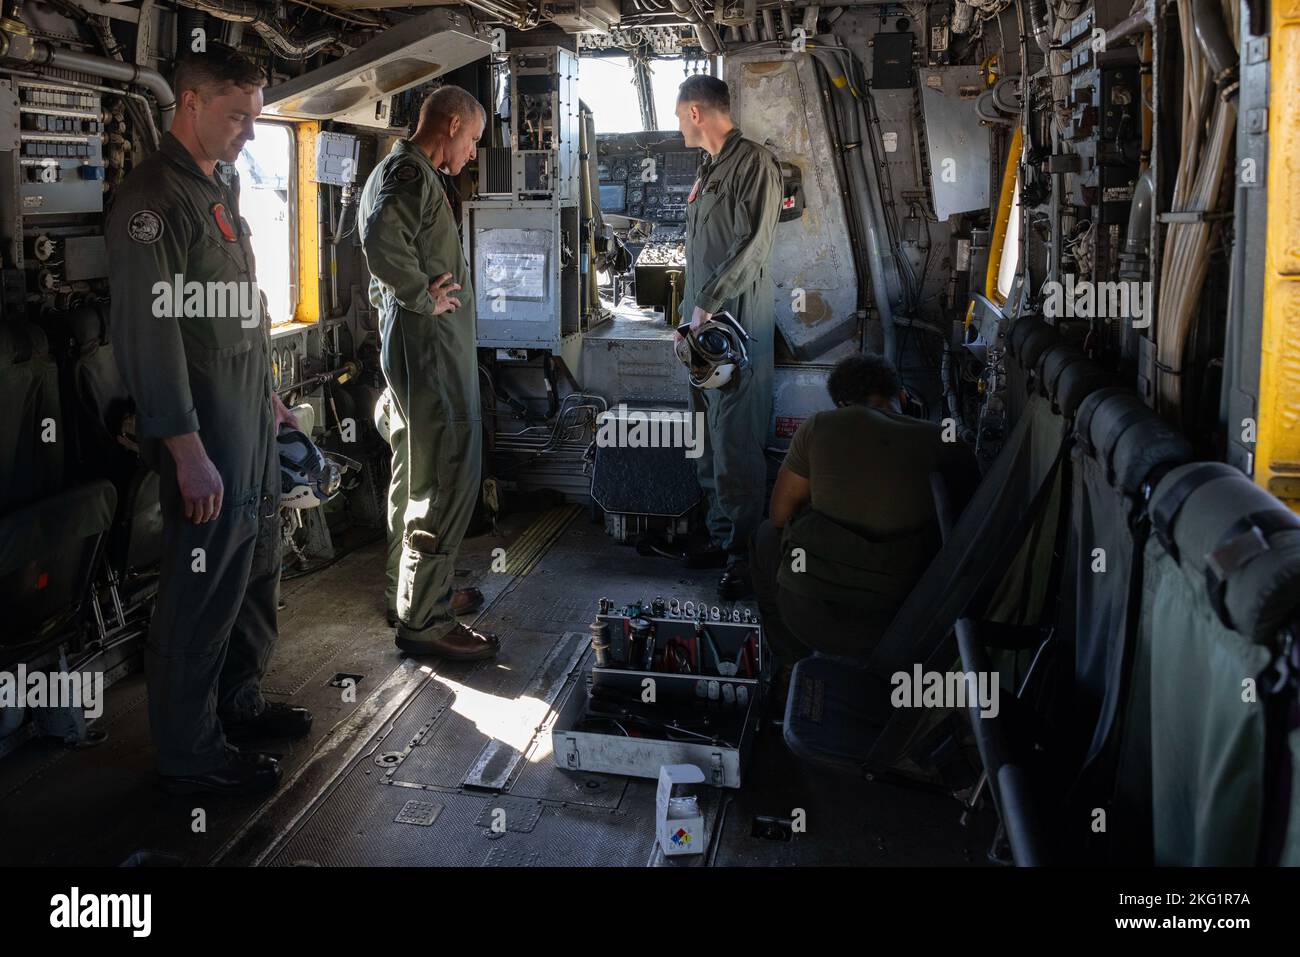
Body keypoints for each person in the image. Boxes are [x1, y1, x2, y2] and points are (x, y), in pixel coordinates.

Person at [106, 44, 311, 796]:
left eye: (256, 119)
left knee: (255, 566)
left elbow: (241, 307)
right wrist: (185, 450)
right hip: (205, 431)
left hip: (246, 414)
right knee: (202, 585)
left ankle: (237, 702)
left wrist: (271, 396)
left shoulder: (216, 185)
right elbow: (150, 337)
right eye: (238, 117)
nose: (249, 134)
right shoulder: (152, 202)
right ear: (190, 104)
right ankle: (191, 751)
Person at [358, 86, 498, 660]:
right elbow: (381, 240)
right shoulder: (411, 174)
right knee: (446, 474)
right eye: (474, 139)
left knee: (414, 474)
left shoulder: (392, 170)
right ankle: (426, 620)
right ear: (452, 124)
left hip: (413, 347)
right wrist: (421, 295)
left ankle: (410, 592)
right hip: (431, 351)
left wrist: (408, 299)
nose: (473, 152)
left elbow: (384, 252)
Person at [751, 353, 981, 668]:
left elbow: (779, 516)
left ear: (841, 405)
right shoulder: (948, 442)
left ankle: (791, 667)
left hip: (813, 618)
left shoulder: (820, 425)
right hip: (909, 623)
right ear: (902, 397)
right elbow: (970, 536)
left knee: (766, 536)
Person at [674, 75, 783, 600]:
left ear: (695, 112)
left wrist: (708, 302)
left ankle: (744, 556)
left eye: (679, 115)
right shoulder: (708, 169)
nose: (678, 125)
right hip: (700, 331)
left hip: (735, 327)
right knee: (706, 439)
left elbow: (754, 247)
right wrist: (685, 321)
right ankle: (721, 538)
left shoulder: (754, 164)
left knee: (736, 443)